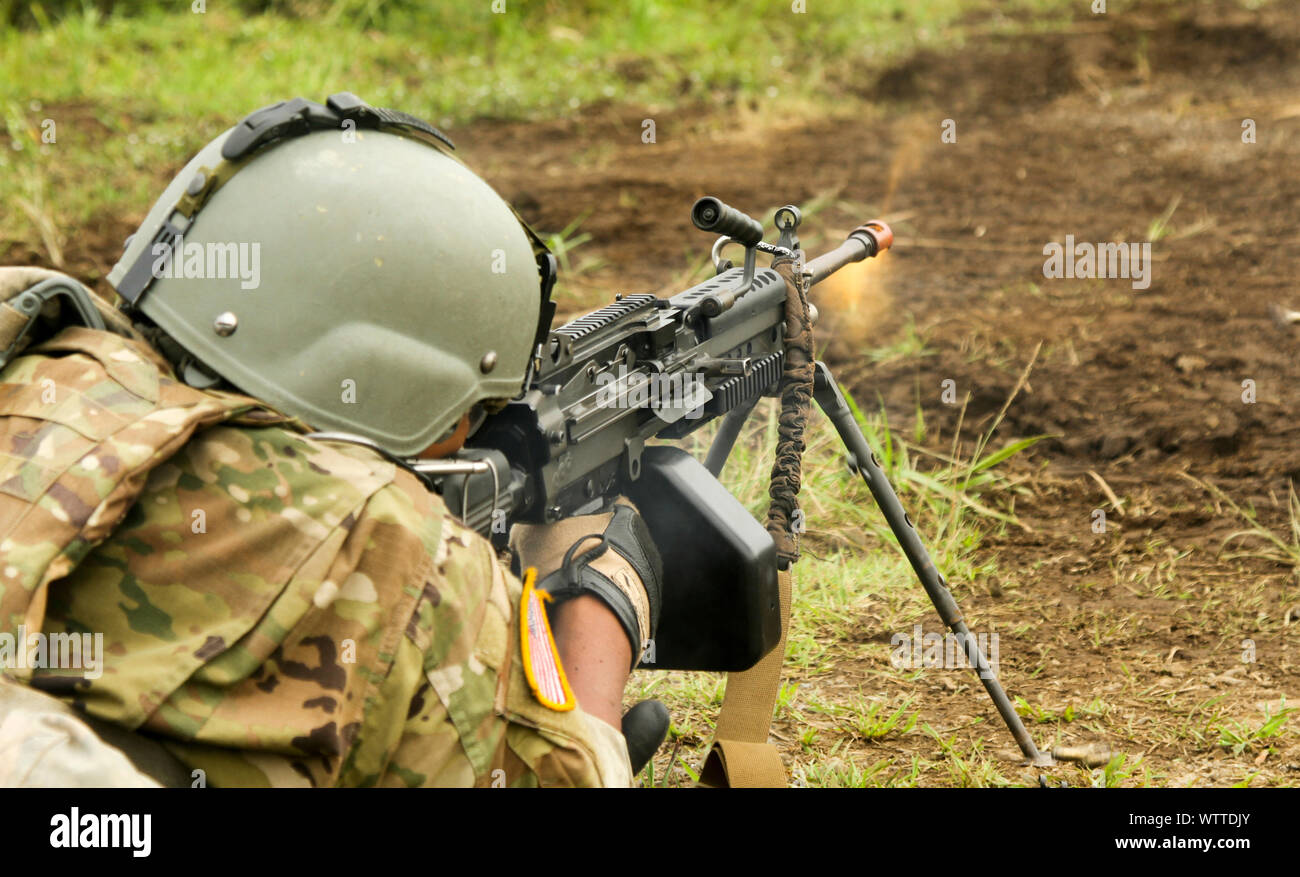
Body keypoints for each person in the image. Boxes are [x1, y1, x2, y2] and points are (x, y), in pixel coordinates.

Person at [0, 93, 668, 788]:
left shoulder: (34, 357)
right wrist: (600, 606)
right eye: (468, 415)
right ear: (385, 382)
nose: (470, 435)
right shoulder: (391, 548)